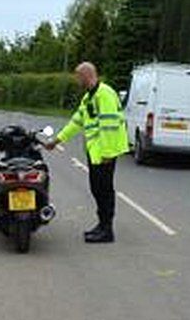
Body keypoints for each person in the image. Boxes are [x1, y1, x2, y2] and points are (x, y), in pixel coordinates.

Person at [45, 62, 129, 243]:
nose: (77, 81)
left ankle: (107, 230)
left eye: (78, 77)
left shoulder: (104, 94)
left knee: (104, 190)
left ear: (86, 75)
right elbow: (76, 122)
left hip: (105, 153)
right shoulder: (89, 97)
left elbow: (109, 126)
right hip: (95, 152)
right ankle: (102, 225)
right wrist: (57, 140)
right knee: (97, 189)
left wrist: (107, 154)